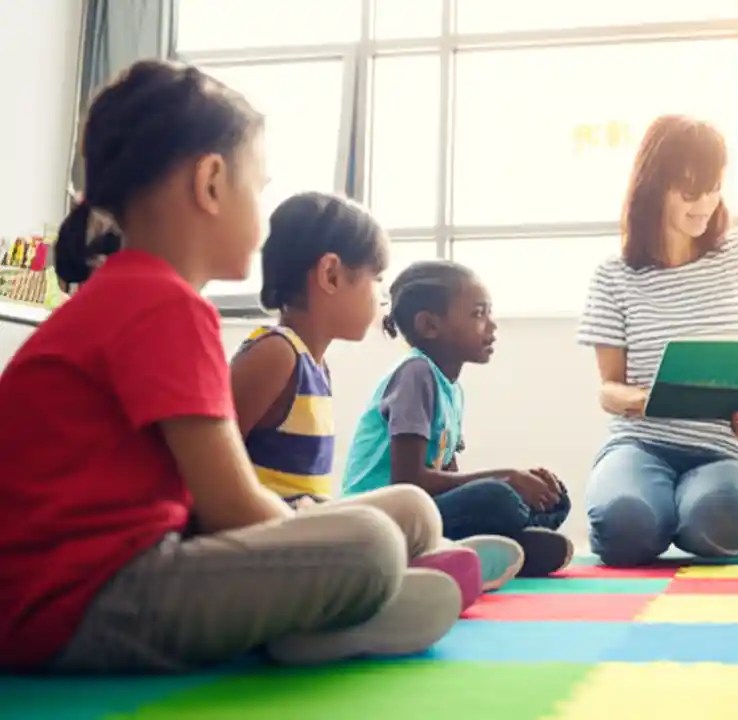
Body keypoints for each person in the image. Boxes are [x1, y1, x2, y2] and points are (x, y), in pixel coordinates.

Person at [0, 60, 462, 674]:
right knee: (372, 544)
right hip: (79, 606)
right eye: (260, 185)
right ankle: (332, 614)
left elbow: (200, 500)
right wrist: (309, 532)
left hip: (100, 580)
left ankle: (345, 603)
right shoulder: (162, 303)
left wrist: (305, 524)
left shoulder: (132, 293)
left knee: (405, 508)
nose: (262, 211)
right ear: (212, 182)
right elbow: (232, 507)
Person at [229, 191, 484, 609]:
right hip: (265, 538)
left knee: (412, 506)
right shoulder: (275, 353)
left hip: (298, 523)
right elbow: (210, 464)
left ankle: (419, 572)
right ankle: (397, 588)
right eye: (375, 279)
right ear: (330, 275)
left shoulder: (313, 365)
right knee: (375, 530)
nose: (381, 298)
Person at [577, 115, 738, 567]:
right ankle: (652, 509)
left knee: (721, 524)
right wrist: (651, 399)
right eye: (690, 191)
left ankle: (683, 510)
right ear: (655, 187)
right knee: (623, 528)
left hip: (725, 448)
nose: (705, 203)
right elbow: (609, 389)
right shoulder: (614, 275)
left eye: (714, 188)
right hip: (641, 442)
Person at [344, 261, 574, 580]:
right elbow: (408, 481)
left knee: (556, 497)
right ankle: (487, 547)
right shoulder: (416, 375)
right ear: (429, 325)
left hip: (423, 511)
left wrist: (523, 482)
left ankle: (489, 548)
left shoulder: (450, 388)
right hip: (382, 519)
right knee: (498, 499)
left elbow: (445, 477)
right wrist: (506, 478)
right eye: (478, 314)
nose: (492, 326)